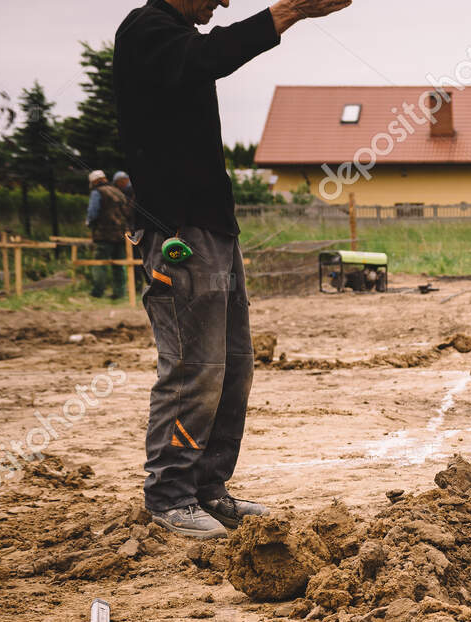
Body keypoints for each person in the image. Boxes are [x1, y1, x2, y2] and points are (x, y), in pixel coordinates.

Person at [114, 0, 352, 540]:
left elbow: (205, 54)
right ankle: (170, 496)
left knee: (234, 367)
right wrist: (287, 12)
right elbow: (210, 56)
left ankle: (208, 489)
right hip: (178, 230)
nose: (223, 2)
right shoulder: (149, 30)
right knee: (194, 367)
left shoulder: (175, 36)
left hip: (214, 228)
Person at [85, 169, 129, 300]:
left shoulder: (97, 192)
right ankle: (120, 293)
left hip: (104, 234)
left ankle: (97, 292)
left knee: (100, 263)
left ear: (94, 181)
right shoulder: (118, 192)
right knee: (119, 265)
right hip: (121, 234)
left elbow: (93, 213)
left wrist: (89, 224)